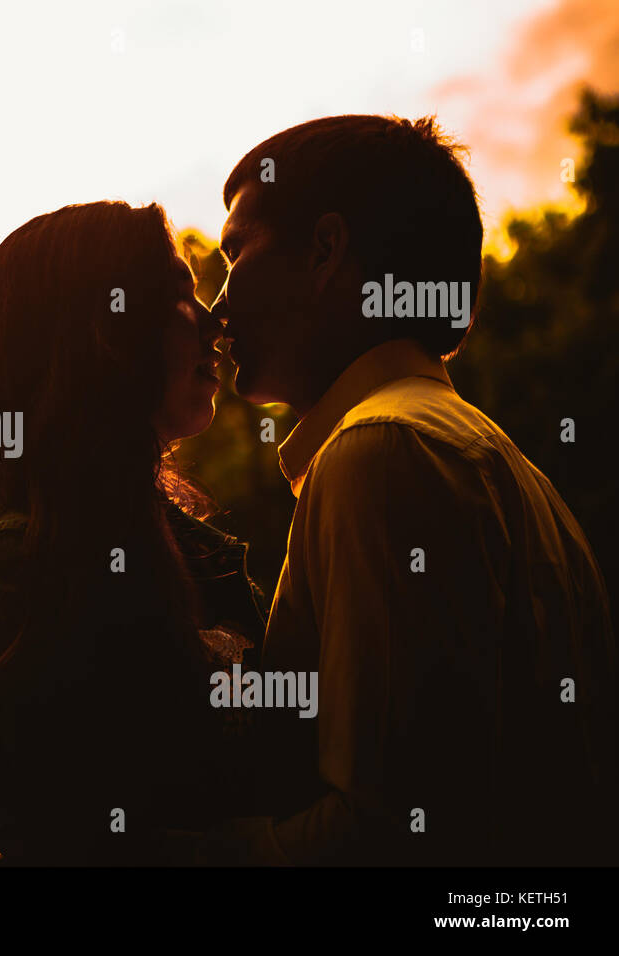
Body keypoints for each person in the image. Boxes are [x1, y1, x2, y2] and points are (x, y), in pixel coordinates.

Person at [207, 114, 618, 865]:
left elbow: (391, 838)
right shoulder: (507, 469)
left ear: (326, 250)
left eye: (236, 252)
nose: (216, 304)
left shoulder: (383, 452)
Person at [0, 200, 267, 865]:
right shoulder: (25, 560)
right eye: (180, 298)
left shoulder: (160, 535)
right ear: (102, 331)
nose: (215, 323)